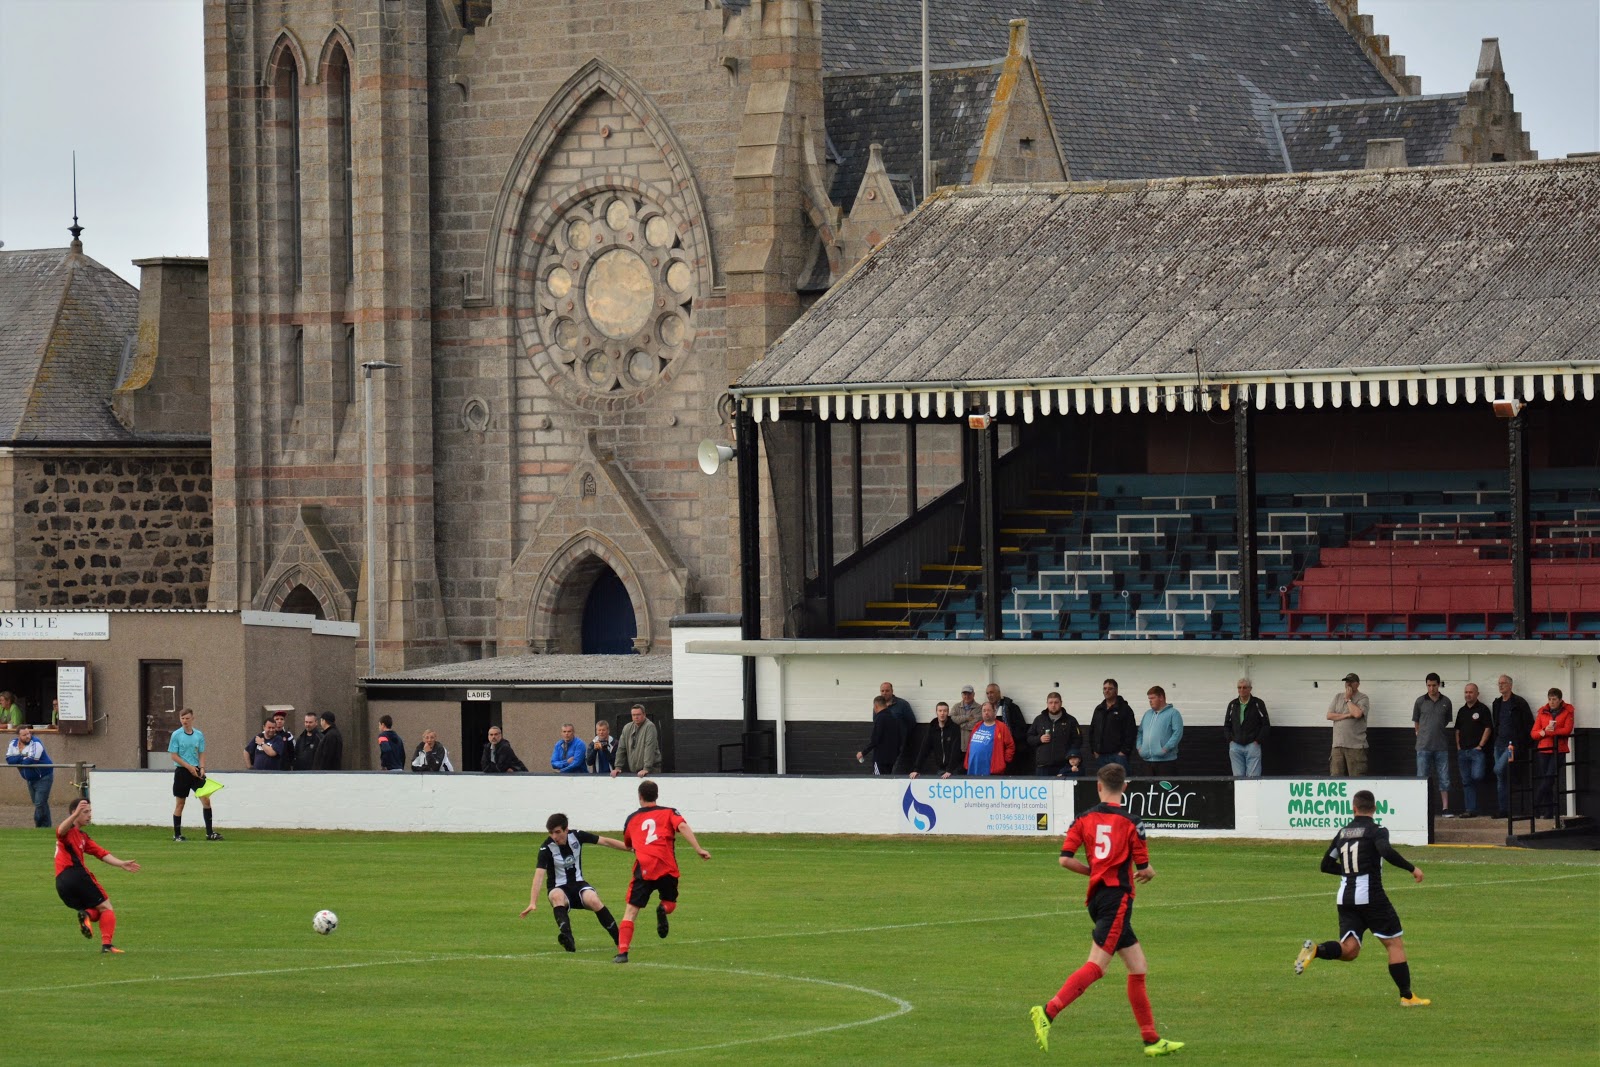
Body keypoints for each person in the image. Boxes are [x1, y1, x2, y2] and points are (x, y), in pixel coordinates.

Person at [1028, 764, 1183, 1057]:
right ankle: (1048, 1011)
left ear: (1099, 786)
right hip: (1117, 900)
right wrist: (1149, 872)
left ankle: (1151, 1040)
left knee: (1138, 967)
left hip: (1098, 899)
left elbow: (1064, 859)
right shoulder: (1132, 822)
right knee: (1097, 966)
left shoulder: (1084, 818)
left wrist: (1094, 871)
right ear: (1124, 787)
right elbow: (1144, 868)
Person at [1294, 789, 1430, 1007]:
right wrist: (1411, 868)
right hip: (1371, 897)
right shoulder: (1377, 831)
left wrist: (1349, 872)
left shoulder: (1343, 832)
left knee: (1349, 951)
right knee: (1394, 944)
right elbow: (1385, 850)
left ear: (1353, 808)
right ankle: (1407, 997)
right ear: (1374, 809)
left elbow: (1325, 865)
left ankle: (1316, 950)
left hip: (1345, 898)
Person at [612, 779, 711, 964]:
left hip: (644, 868)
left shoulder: (631, 818)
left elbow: (628, 844)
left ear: (640, 797)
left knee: (631, 911)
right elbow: (682, 826)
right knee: (670, 902)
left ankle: (622, 953)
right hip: (667, 867)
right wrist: (698, 849)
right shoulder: (669, 812)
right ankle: (662, 909)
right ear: (656, 796)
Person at [520, 812, 628, 952]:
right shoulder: (546, 848)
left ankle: (620, 940)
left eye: (558, 832)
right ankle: (568, 939)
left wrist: (630, 848)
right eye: (551, 833)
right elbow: (539, 875)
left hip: (578, 885)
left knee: (593, 899)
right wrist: (532, 902)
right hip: (558, 888)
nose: (554, 836)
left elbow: (605, 841)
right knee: (556, 896)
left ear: (566, 829)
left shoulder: (577, 836)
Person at [54, 797, 141, 953]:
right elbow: (60, 830)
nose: (89, 815)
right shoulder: (68, 832)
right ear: (74, 813)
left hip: (61, 883)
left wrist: (121, 863)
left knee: (95, 910)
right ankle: (107, 945)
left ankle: (86, 915)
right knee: (107, 907)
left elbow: (100, 853)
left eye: (90, 812)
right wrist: (74, 816)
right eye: (85, 812)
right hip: (76, 874)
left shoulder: (83, 837)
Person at [168, 707, 220, 841]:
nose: (184, 721)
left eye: (187, 718)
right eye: (182, 718)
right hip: (182, 771)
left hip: (196, 771)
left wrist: (201, 767)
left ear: (192, 719)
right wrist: (188, 767)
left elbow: (201, 752)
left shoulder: (198, 735)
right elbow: (174, 755)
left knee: (206, 800)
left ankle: (209, 833)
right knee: (180, 803)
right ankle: (177, 834)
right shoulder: (176, 735)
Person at [1491, 675, 1534, 819]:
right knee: (1501, 778)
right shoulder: (1497, 703)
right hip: (1499, 744)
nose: (1501, 686)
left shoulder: (1519, 703)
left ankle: (1507, 807)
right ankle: (1503, 809)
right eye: (1499, 683)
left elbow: (1528, 723)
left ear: (1510, 685)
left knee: (1498, 770)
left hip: (1511, 746)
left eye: (1503, 683)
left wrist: (1521, 743)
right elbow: (1496, 723)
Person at [1412, 673, 1454, 816]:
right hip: (1423, 747)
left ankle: (1445, 808)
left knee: (1444, 778)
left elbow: (1447, 720)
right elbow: (1416, 721)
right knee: (1422, 777)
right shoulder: (1419, 701)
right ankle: (1421, 808)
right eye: (1429, 685)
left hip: (1441, 746)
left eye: (1434, 685)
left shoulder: (1446, 702)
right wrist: (1421, 733)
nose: (1431, 688)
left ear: (1438, 684)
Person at [1530, 688, 1575, 819]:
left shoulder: (1568, 711)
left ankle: (1535, 804)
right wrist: (1544, 731)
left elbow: (1567, 730)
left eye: (1554, 699)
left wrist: (1548, 732)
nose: (1551, 702)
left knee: (1549, 778)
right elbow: (1533, 733)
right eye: (1549, 699)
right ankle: (1549, 812)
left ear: (1560, 700)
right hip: (1543, 749)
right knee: (1547, 780)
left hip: (1559, 749)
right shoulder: (1542, 712)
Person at [1453, 683, 1493, 818]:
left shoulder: (1483, 709)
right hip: (1462, 752)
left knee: (1477, 776)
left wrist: (1480, 745)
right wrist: (1458, 746)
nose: (1467, 695)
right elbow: (1457, 730)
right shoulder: (1461, 711)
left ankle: (1481, 806)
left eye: (1470, 692)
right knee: (1466, 781)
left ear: (1477, 694)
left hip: (1477, 752)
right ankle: (1470, 809)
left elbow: (1488, 728)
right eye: (1466, 692)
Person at [6, 724, 54, 827]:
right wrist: (23, 757)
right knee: (39, 803)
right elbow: (9, 760)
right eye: (24, 735)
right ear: (18, 736)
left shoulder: (36, 743)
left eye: (28, 733)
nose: (28, 736)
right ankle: (46, 826)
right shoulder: (13, 743)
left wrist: (19, 759)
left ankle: (41, 826)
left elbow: (31, 760)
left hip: (43, 776)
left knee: (39, 802)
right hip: (30, 778)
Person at [1027, 692, 1082, 778]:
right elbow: (1029, 738)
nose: (1053, 705)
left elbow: (1078, 740)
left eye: (1056, 702)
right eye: (1050, 702)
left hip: (1064, 767)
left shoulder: (1070, 720)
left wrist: (1071, 756)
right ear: (1047, 704)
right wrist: (1039, 739)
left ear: (1061, 703)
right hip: (1043, 767)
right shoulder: (1039, 719)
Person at [1223, 678, 1270, 777]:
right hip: (1235, 746)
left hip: (1252, 745)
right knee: (1238, 777)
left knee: (1253, 777)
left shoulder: (1258, 703)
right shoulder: (1232, 705)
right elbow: (1227, 725)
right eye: (1239, 687)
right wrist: (1230, 740)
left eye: (1244, 687)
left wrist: (1257, 741)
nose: (1242, 690)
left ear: (1250, 689)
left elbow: (1265, 724)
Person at [1088, 679, 1136, 772]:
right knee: (1105, 784)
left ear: (1116, 691)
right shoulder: (1099, 709)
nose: (1107, 691)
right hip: (1101, 756)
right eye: (1105, 688)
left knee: (1121, 783)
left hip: (1118, 756)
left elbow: (1131, 732)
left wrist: (1124, 751)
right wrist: (1094, 750)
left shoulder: (1125, 709)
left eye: (1110, 688)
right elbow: (1092, 730)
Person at [1135, 686, 1184, 778]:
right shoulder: (1147, 714)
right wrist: (1139, 748)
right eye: (1149, 699)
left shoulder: (1173, 713)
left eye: (1153, 698)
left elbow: (1177, 733)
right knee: (1147, 790)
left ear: (1161, 697)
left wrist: (1165, 749)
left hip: (1166, 762)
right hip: (1147, 761)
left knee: (1165, 791)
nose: (1150, 701)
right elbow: (1140, 732)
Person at [1327, 673, 1369, 777]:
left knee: (1357, 777)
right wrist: (1347, 715)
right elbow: (1329, 715)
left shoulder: (1363, 698)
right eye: (1346, 682)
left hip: (1355, 746)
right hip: (1337, 745)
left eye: (1351, 682)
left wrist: (1348, 699)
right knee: (1336, 777)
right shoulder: (1337, 697)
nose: (1348, 684)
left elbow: (1357, 714)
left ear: (1358, 684)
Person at [909, 701, 963, 779]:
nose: (942, 713)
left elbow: (955, 750)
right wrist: (916, 769)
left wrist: (950, 770)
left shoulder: (955, 728)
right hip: (940, 768)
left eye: (945, 711)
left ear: (948, 712)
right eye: (940, 711)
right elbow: (924, 749)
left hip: (954, 769)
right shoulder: (932, 728)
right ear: (936, 712)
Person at [986, 682, 1032, 774]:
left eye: (992, 692)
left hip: (1011, 749)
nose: (989, 695)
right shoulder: (987, 710)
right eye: (987, 693)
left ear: (999, 693)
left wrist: (1008, 740)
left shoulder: (1011, 708)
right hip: (993, 750)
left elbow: (1021, 729)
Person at [857, 695, 905, 775]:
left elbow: (875, 739)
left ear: (875, 706)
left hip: (880, 758)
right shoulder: (894, 718)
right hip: (892, 757)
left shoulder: (879, 718)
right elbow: (900, 737)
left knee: (879, 782)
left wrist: (863, 753)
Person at [965, 701, 1015, 778]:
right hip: (974, 767)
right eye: (984, 710)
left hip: (991, 770)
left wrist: (1003, 761)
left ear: (994, 711)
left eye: (988, 710)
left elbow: (1010, 745)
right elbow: (970, 745)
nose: (986, 713)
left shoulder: (1001, 727)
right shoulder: (977, 726)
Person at [611, 704, 662, 778]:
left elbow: (649, 748)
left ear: (644, 714)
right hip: (635, 771)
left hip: (651, 771)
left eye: (638, 714)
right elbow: (621, 749)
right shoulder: (627, 727)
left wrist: (646, 768)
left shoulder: (650, 726)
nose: (636, 717)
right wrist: (618, 767)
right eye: (633, 715)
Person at [880, 682, 919, 774]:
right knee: (883, 773)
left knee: (896, 771)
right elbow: (876, 721)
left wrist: (902, 734)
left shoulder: (902, 704)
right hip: (883, 745)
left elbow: (912, 722)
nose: (884, 693)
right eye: (882, 691)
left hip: (899, 745)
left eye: (887, 690)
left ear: (892, 691)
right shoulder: (878, 705)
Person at [951, 685, 982, 754]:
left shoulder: (979, 708)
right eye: (965, 694)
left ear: (973, 694)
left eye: (969, 694)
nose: (967, 696)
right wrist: (967, 717)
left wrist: (959, 724)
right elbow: (952, 719)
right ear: (962, 695)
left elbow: (975, 725)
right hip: (957, 744)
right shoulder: (956, 707)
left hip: (973, 745)